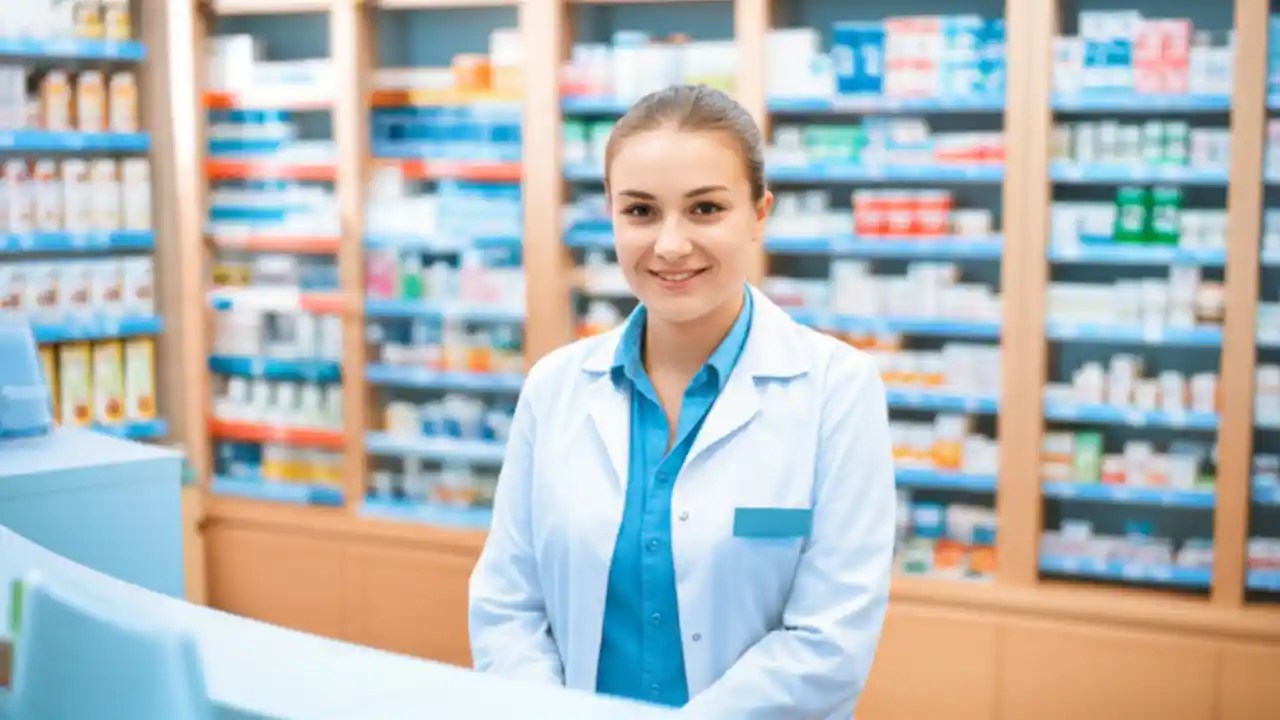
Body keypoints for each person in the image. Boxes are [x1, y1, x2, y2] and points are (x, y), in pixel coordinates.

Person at [468, 84, 895, 719]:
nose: (669, 245)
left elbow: (829, 642)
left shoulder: (837, 389)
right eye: (640, 211)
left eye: (704, 210)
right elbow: (508, 603)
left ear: (759, 215)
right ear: (610, 215)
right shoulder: (555, 385)